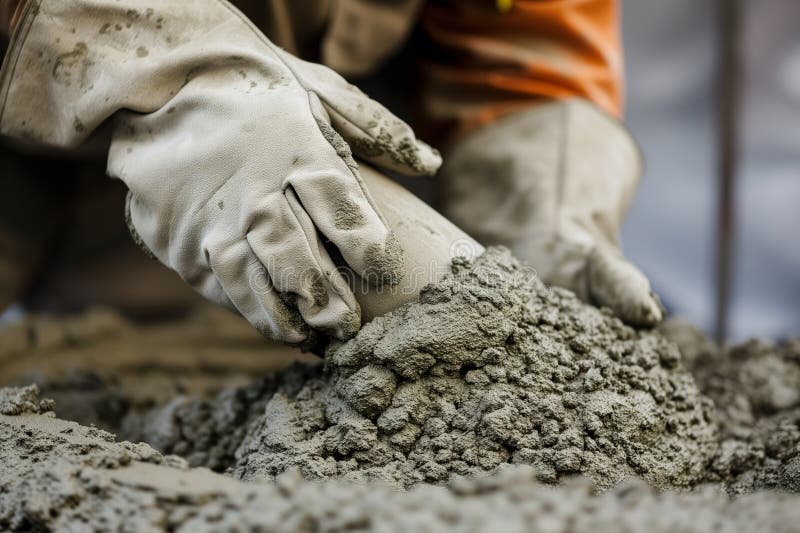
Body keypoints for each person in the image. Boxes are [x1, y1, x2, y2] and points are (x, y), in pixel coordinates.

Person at [0, 0, 662, 348]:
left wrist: (543, 192)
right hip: (45, 121)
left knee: (171, 360)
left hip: (257, 173)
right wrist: (151, 60)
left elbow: (523, 45)